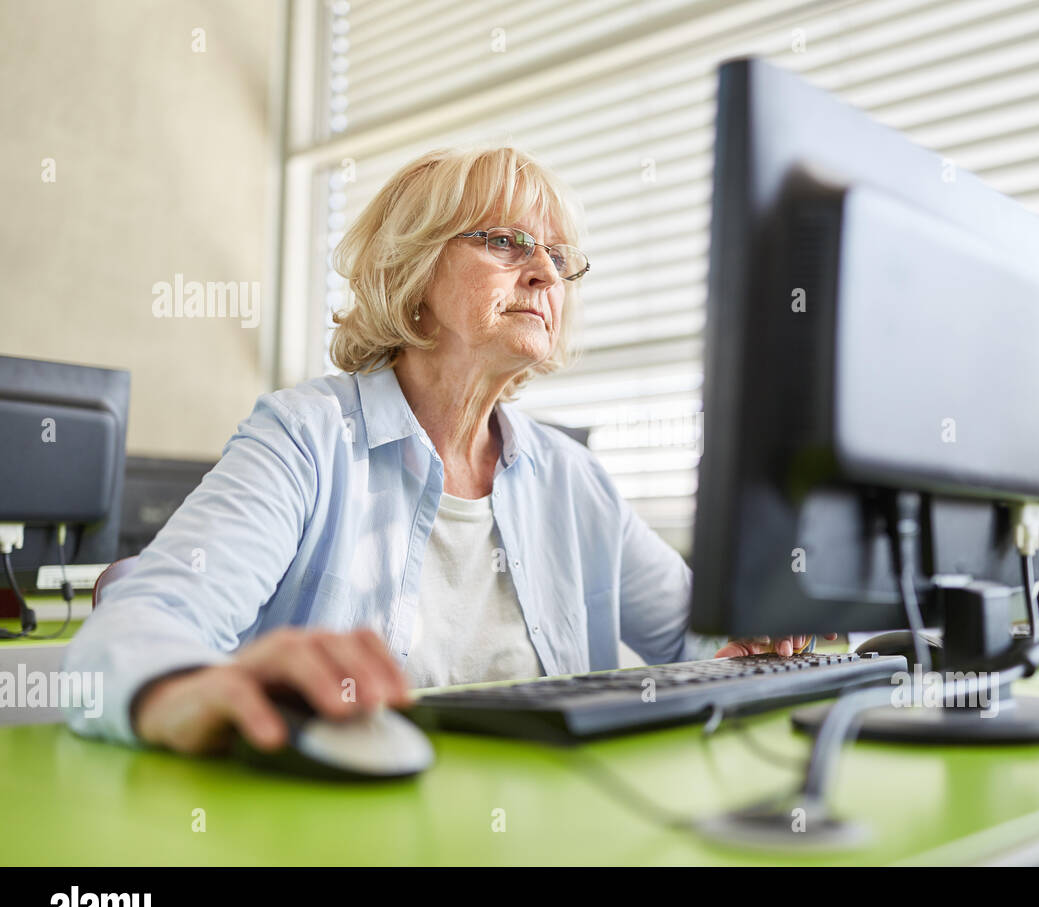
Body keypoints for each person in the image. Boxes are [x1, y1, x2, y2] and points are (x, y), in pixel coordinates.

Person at [62, 145, 821, 756]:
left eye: (559, 257)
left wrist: (764, 634)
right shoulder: (307, 435)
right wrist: (183, 690)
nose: (544, 272)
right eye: (506, 242)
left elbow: (694, 635)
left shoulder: (572, 478)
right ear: (413, 271)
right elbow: (139, 624)